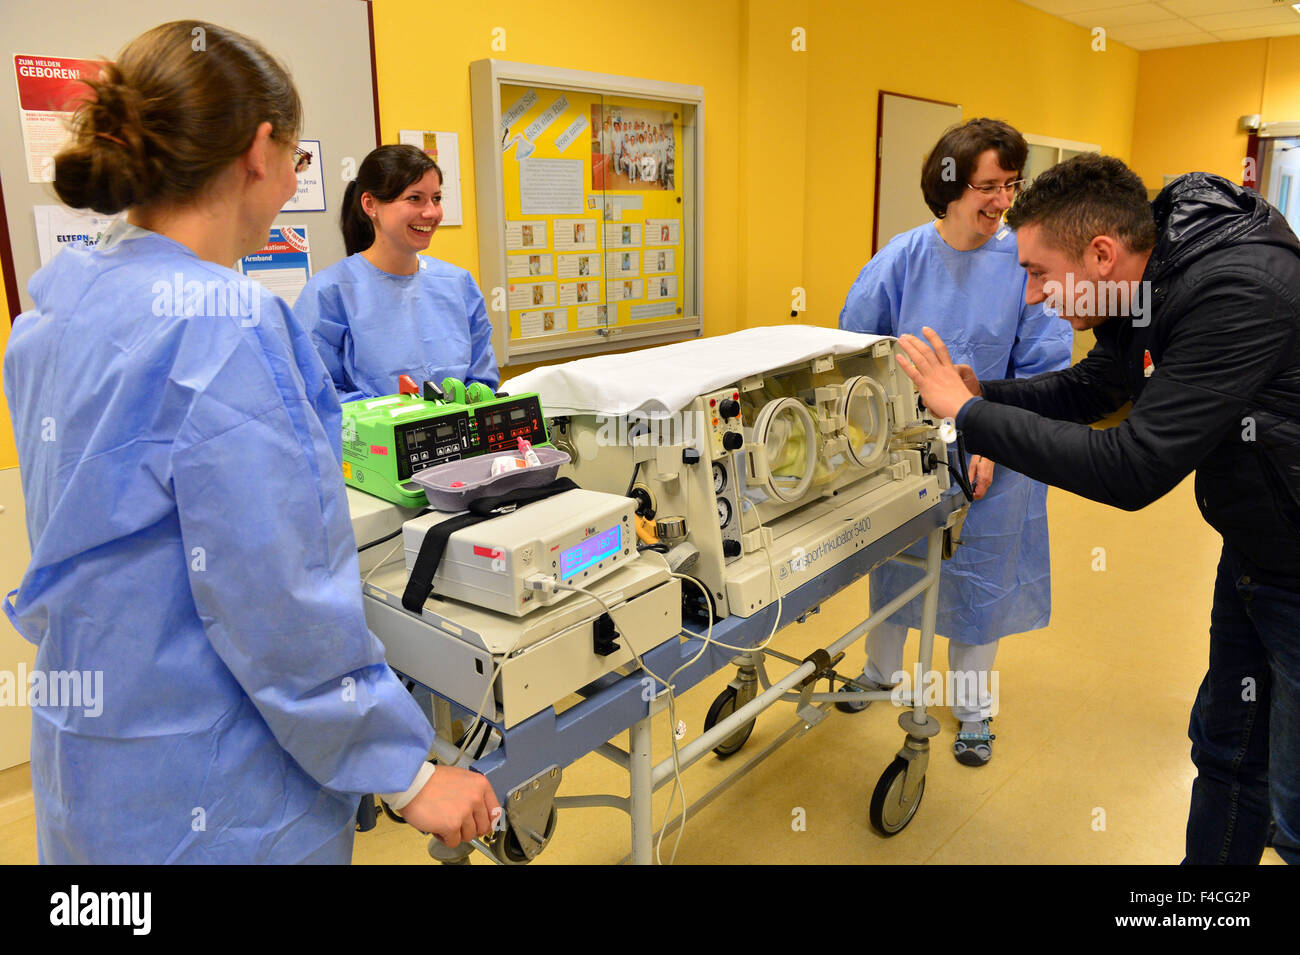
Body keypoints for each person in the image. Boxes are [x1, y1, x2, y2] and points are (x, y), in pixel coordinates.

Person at [2, 20, 499, 864]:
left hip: (97, 766)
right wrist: (407, 771)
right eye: (298, 161)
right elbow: (279, 599)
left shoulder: (57, 306)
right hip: (217, 777)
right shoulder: (227, 328)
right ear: (260, 151)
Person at [893, 154, 1300, 864]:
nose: (1032, 295)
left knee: (1294, 801)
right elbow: (1096, 388)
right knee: (1227, 749)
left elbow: (1134, 466)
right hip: (1258, 541)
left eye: (1039, 272)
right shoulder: (1150, 274)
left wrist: (970, 417)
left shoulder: (1236, 290)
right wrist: (982, 392)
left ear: (1102, 254)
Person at [838, 119, 1072, 766]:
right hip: (908, 448)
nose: (1002, 201)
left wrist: (996, 440)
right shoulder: (902, 258)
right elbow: (859, 349)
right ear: (947, 187)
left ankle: (973, 710)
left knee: (980, 579)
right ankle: (879, 672)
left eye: (1011, 185)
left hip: (999, 450)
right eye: (988, 186)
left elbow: (1046, 370)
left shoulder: (1024, 262)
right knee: (895, 563)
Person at [294, 145, 497, 402]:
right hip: (369, 442)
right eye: (415, 198)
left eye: (436, 198)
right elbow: (319, 394)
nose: (431, 212)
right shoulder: (330, 291)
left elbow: (482, 382)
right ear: (370, 204)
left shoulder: (458, 284)